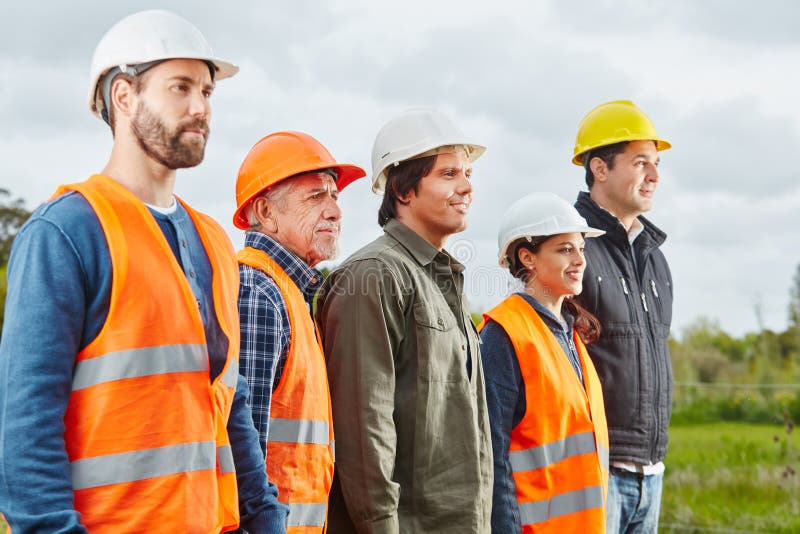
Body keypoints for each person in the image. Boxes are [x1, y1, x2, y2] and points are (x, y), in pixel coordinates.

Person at [0, 10, 287, 533]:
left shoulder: (214, 241)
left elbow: (230, 398)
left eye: (207, 91)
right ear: (124, 97)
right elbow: (25, 430)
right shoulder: (66, 232)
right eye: (180, 87)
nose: (200, 107)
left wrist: (265, 519)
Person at [315, 109, 493, 533]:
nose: (467, 187)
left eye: (467, 173)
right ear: (403, 189)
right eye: (449, 174)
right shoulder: (373, 275)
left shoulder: (442, 279)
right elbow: (364, 431)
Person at [232, 131, 366, 532]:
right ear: (266, 212)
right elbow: (244, 451)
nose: (334, 211)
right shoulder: (258, 292)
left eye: (335, 196)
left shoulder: (290, 292)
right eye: (315, 197)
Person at [571, 100, 674, 534]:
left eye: (656, 163)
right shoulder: (569, 246)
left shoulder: (656, 260)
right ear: (599, 168)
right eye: (640, 163)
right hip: (596, 469)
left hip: (651, 473)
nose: (654, 175)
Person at [480, 192, 610, 533]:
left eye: (582, 247)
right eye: (565, 249)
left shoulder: (569, 334)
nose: (580, 259)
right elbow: (493, 459)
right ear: (528, 257)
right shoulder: (503, 334)